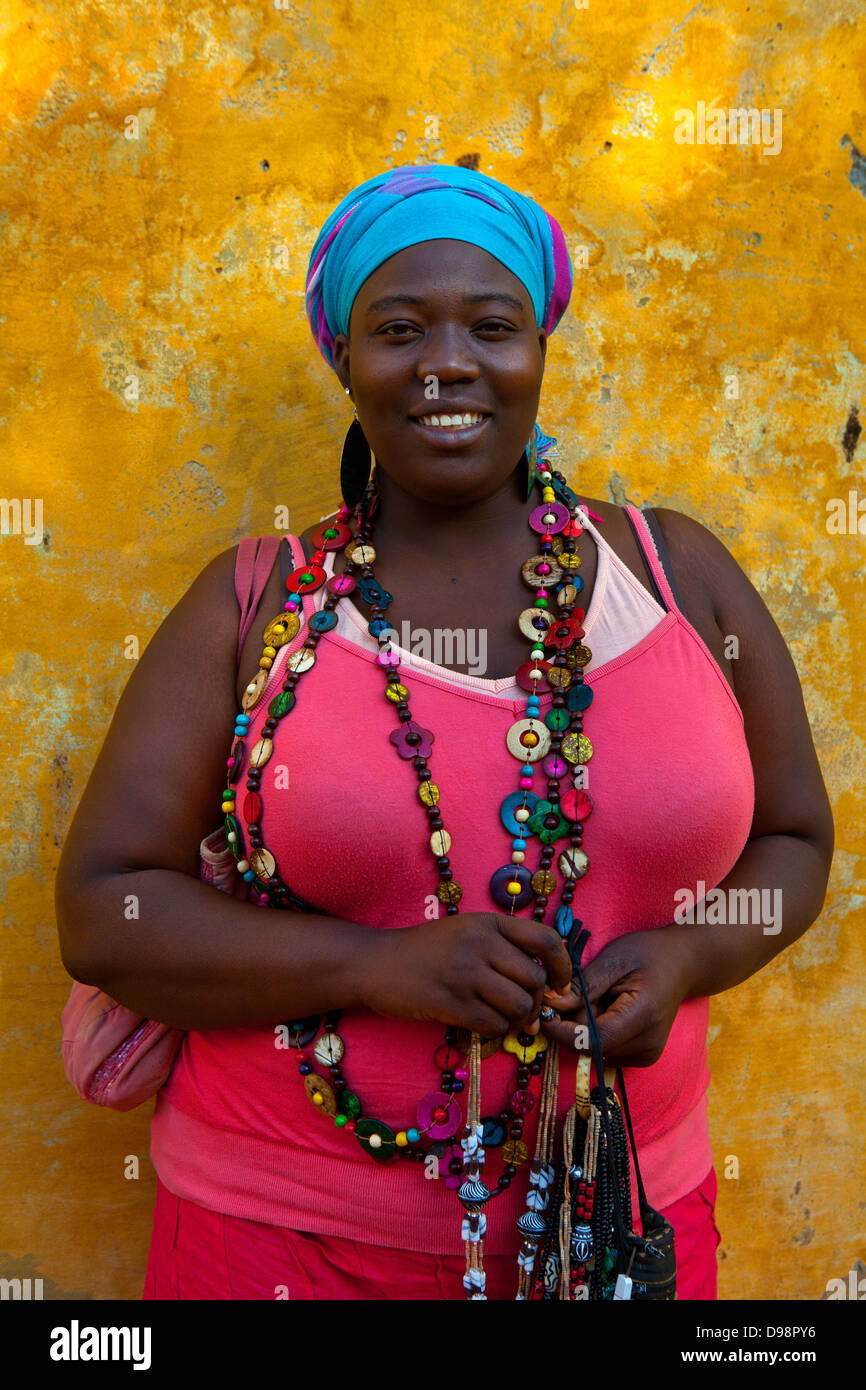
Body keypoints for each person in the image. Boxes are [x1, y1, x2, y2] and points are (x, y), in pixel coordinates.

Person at [55, 163, 834, 1302]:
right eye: (399, 329)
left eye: (492, 325)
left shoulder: (677, 580)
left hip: (612, 1233)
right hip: (280, 1244)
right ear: (344, 359)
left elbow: (794, 842)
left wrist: (689, 955)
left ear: (539, 346)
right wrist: (376, 967)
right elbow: (105, 909)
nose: (447, 364)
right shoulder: (257, 606)